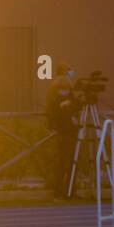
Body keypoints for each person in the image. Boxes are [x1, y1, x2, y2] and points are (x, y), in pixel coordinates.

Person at [45, 68, 78, 199]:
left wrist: (71, 106)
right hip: (64, 133)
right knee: (62, 164)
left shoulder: (71, 98)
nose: (64, 91)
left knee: (73, 163)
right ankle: (58, 192)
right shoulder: (55, 101)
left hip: (72, 133)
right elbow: (54, 116)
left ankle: (71, 191)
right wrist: (63, 108)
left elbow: (78, 106)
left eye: (67, 89)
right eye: (62, 89)